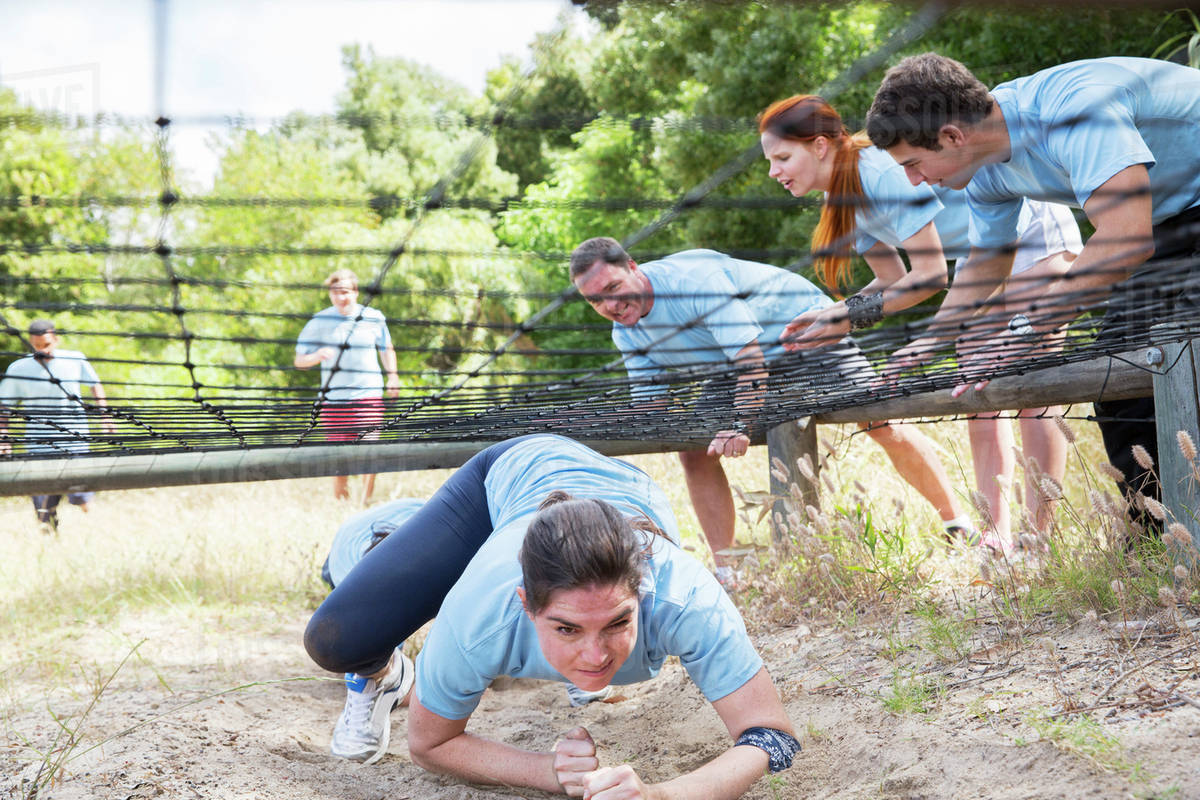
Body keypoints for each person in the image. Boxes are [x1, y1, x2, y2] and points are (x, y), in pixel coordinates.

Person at [304, 434, 799, 797]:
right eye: (567, 627)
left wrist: (662, 795)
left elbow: (773, 735)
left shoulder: (685, 597)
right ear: (525, 605)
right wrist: (550, 772)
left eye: (618, 623)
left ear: (641, 595)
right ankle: (391, 563)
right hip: (509, 473)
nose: (595, 653)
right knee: (337, 638)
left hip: (627, 490)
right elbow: (429, 745)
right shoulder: (479, 612)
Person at [863, 54, 1200, 533]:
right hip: (1171, 220)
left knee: (1187, 357)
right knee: (1119, 374)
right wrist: (926, 343)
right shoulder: (987, 168)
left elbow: (1126, 234)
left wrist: (1024, 329)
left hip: (1164, 218)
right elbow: (986, 262)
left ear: (952, 136)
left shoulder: (1072, 112)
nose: (914, 180)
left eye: (914, 163)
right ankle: (1163, 541)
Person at [758, 94, 1083, 553]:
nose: (774, 171)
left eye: (781, 157)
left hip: (1031, 231)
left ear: (819, 146)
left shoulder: (880, 172)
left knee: (1028, 379)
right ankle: (996, 535)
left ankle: (1038, 541)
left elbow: (931, 277)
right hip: (981, 251)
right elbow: (890, 280)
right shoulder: (841, 194)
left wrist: (848, 315)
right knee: (975, 387)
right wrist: (836, 315)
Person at [570, 238, 975, 584]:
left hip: (804, 335)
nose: (610, 304)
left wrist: (739, 425)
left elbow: (752, 362)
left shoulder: (692, 282)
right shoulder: (624, 329)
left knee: (879, 423)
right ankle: (729, 573)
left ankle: (958, 524)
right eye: (594, 300)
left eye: (613, 287)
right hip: (734, 366)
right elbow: (653, 406)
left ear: (634, 268)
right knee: (691, 449)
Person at [294, 268, 401, 504]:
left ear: (355, 292)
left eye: (344, 292)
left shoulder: (373, 317)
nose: (340, 297)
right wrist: (317, 355)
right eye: (335, 293)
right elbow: (299, 360)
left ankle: (364, 503)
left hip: (368, 396)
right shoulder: (320, 321)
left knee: (369, 452)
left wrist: (393, 376)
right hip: (334, 402)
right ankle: (341, 506)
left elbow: (387, 349)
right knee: (339, 461)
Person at [0, 318, 116, 533]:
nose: (42, 350)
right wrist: (4, 435)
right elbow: (4, 405)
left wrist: (105, 416)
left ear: (56, 340)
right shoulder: (19, 368)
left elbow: (95, 385)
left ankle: (99, 535)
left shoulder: (75, 360)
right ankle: (50, 542)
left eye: (46, 345)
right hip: (38, 445)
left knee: (82, 496)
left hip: (75, 440)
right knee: (43, 505)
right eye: (36, 346)